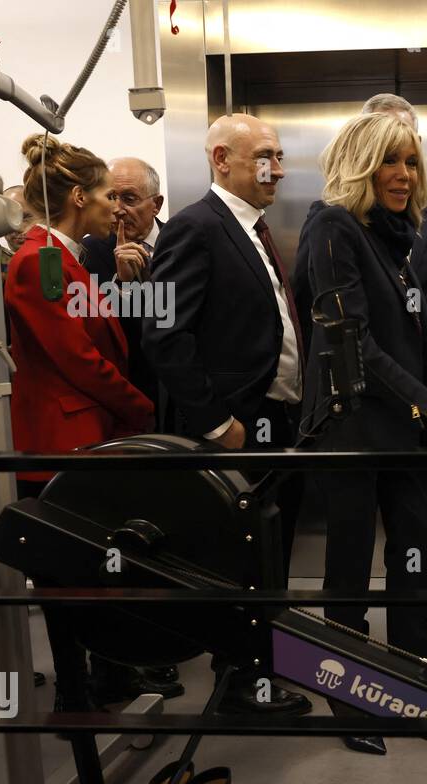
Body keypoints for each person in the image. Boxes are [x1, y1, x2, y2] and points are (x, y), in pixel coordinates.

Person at [298, 112, 427, 753]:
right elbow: (357, 345)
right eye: (389, 161)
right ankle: (348, 692)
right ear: (360, 162)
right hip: (353, 425)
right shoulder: (332, 226)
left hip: (402, 424)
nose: (404, 175)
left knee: (413, 546)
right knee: (348, 566)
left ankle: (409, 669)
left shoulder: (393, 236)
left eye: (410, 162)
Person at [145, 114, 312, 717]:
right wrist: (218, 424)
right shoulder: (197, 227)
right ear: (222, 159)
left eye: (280, 154)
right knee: (243, 558)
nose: (279, 169)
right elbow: (164, 333)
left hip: (278, 422)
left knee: (270, 552)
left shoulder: (252, 230)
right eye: (265, 156)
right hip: (239, 429)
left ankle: (260, 668)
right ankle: (243, 682)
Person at [5, 134, 156, 713]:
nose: (112, 208)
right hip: (62, 440)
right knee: (67, 577)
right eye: (102, 195)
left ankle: (105, 677)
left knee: (89, 569)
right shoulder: (41, 260)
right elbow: (78, 358)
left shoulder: (62, 256)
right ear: (76, 196)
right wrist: (138, 407)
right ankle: (77, 694)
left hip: (85, 435)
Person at [81, 156, 166, 407]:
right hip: (126, 388)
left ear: (156, 204)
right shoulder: (90, 251)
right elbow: (99, 329)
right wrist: (125, 286)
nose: (117, 209)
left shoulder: (181, 242)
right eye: (111, 197)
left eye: (129, 199)